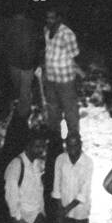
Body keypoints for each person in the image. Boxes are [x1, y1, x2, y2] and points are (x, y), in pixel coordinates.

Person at [5, 134, 48, 223]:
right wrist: (18, 217)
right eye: (37, 146)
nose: (41, 149)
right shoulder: (16, 165)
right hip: (24, 220)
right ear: (28, 146)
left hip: (37, 217)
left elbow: (38, 190)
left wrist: (42, 212)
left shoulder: (37, 163)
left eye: (42, 146)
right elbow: (11, 194)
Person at [42, 7, 81, 138]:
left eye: (52, 18)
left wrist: (80, 72)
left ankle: (73, 136)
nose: (49, 20)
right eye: (47, 17)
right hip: (51, 77)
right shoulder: (46, 30)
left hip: (65, 79)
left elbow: (74, 55)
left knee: (69, 108)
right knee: (52, 107)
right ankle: (55, 136)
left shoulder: (67, 34)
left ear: (59, 18)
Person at [52, 132, 94, 223]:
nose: (72, 149)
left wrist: (65, 210)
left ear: (80, 145)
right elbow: (56, 186)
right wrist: (60, 209)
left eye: (75, 145)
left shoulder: (88, 162)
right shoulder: (60, 159)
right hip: (63, 208)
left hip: (80, 210)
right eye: (69, 145)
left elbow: (84, 192)